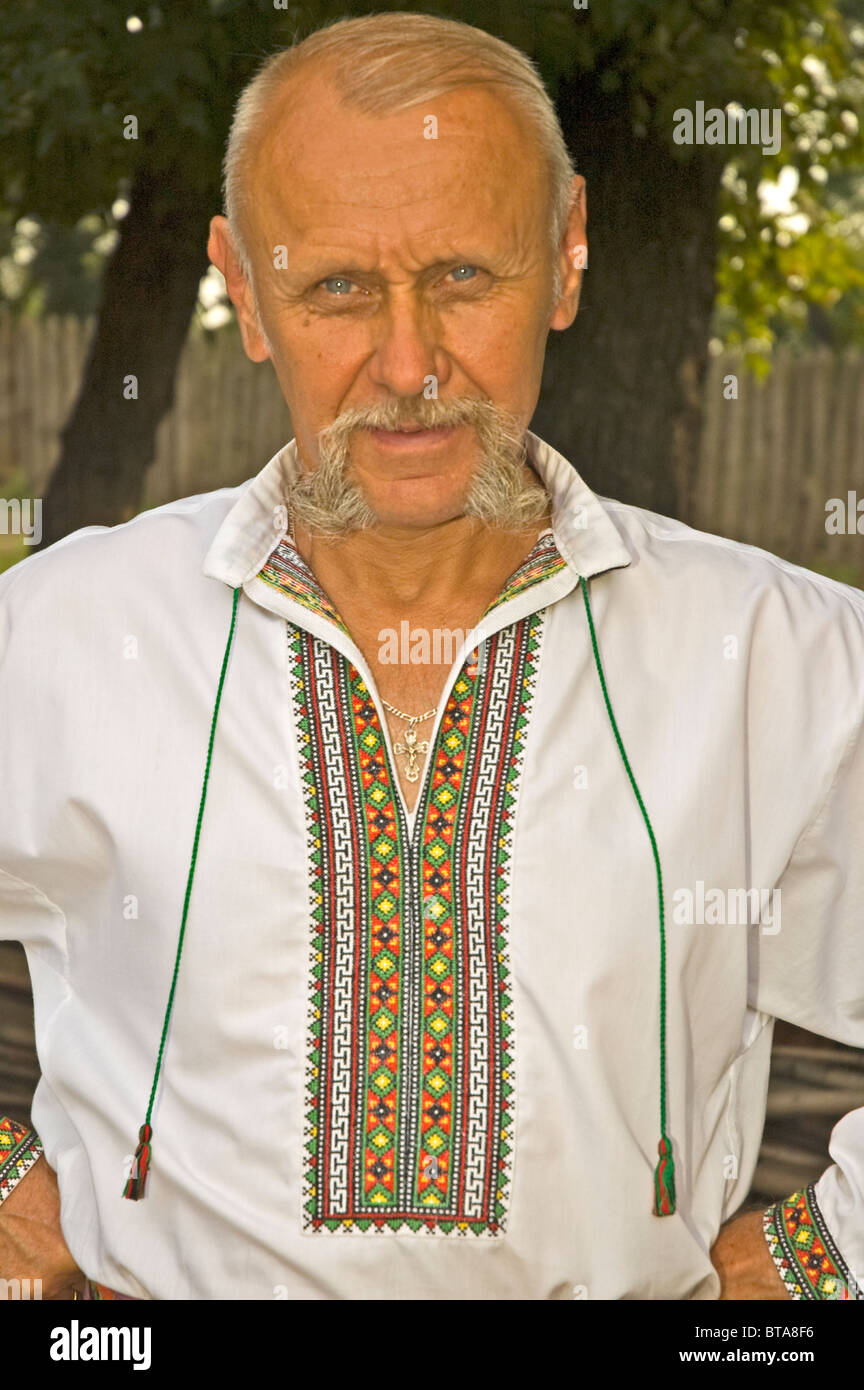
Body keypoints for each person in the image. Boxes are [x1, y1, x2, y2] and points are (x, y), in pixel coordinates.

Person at [1, 12, 862, 1301]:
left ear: (567, 257)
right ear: (242, 287)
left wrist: (812, 1263)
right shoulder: (66, 633)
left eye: (465, 276)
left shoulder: (780, 658)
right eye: (337, 286)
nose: (408, 367)